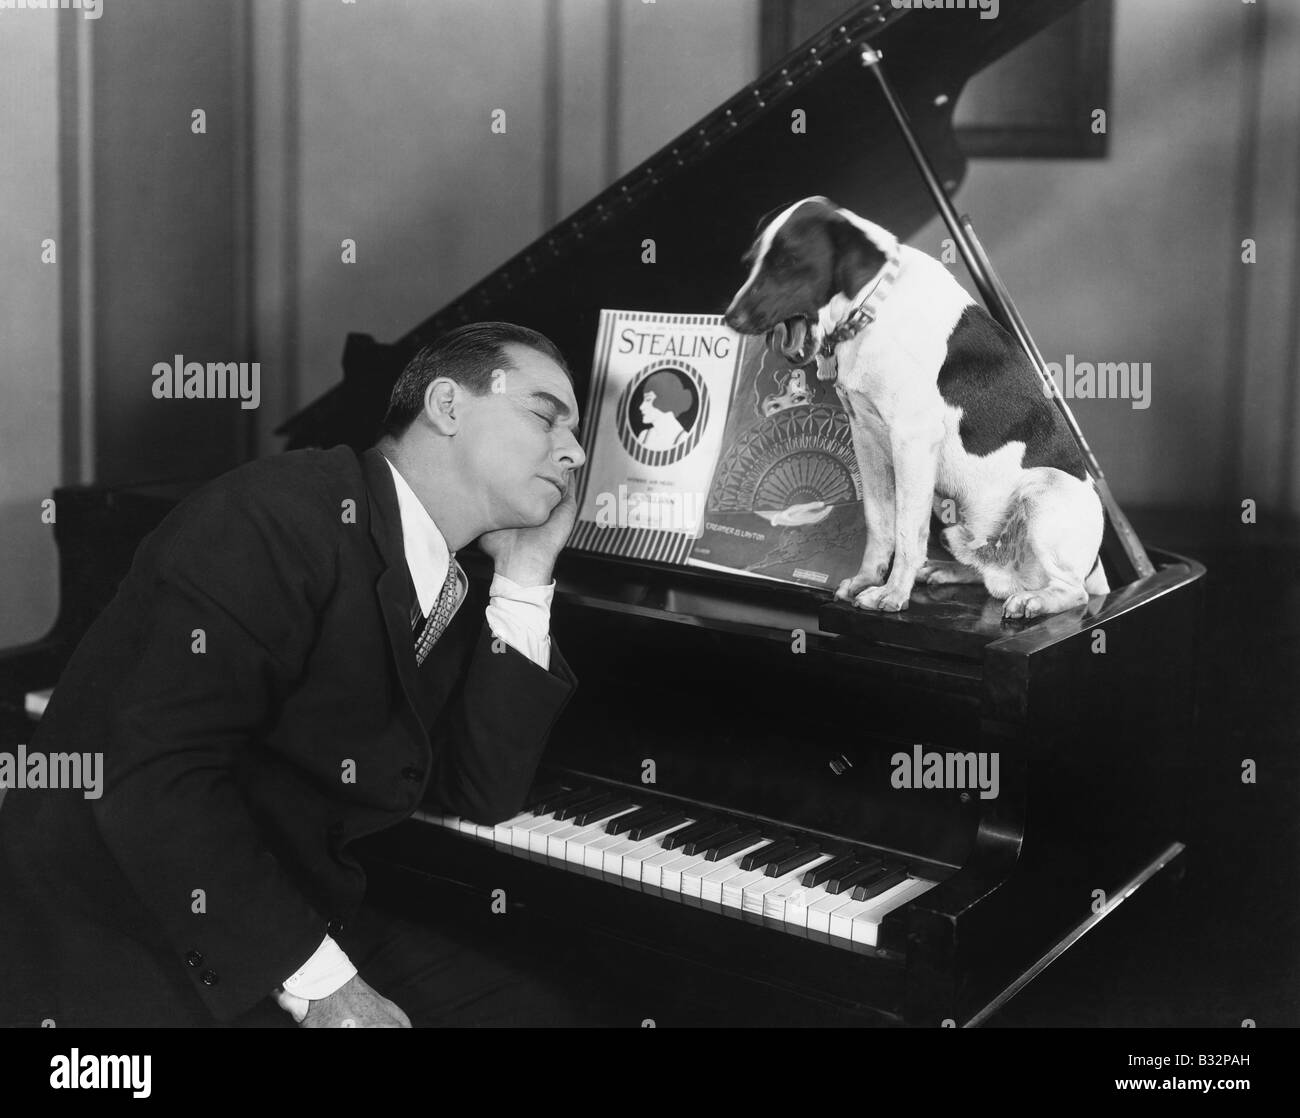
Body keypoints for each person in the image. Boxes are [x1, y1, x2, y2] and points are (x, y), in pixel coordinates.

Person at [0, 322, 594, 1027]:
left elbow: (480, 790)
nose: (576, 451)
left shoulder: (447, 576)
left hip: (284, 902)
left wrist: (525, 571)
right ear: (447, 405)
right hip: (126, 933)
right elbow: (152, 777)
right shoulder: (271, 515)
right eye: (545, 416)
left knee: (539, 1013)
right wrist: (329, 990)